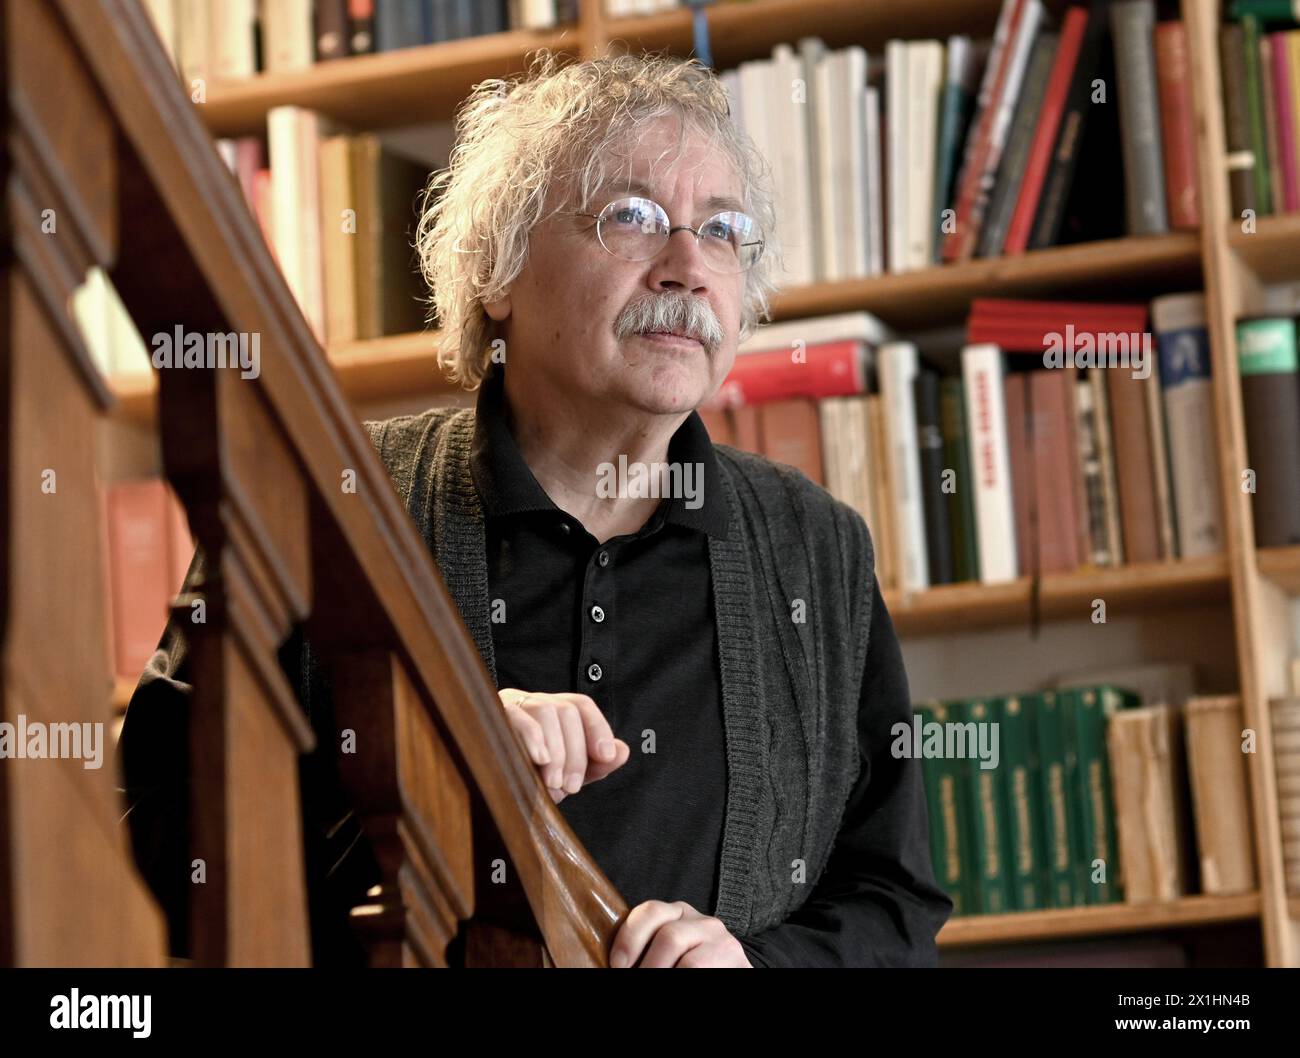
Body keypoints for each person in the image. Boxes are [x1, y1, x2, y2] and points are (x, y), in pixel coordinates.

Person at [119, 50, 952, 967]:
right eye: (632, 216)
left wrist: (758, 965)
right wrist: (424, 773)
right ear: (497, 270)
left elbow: (895, 898)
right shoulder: (324, 505)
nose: (687, 267)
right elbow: (153, 835)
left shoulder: (816, 548)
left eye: (722, 231)